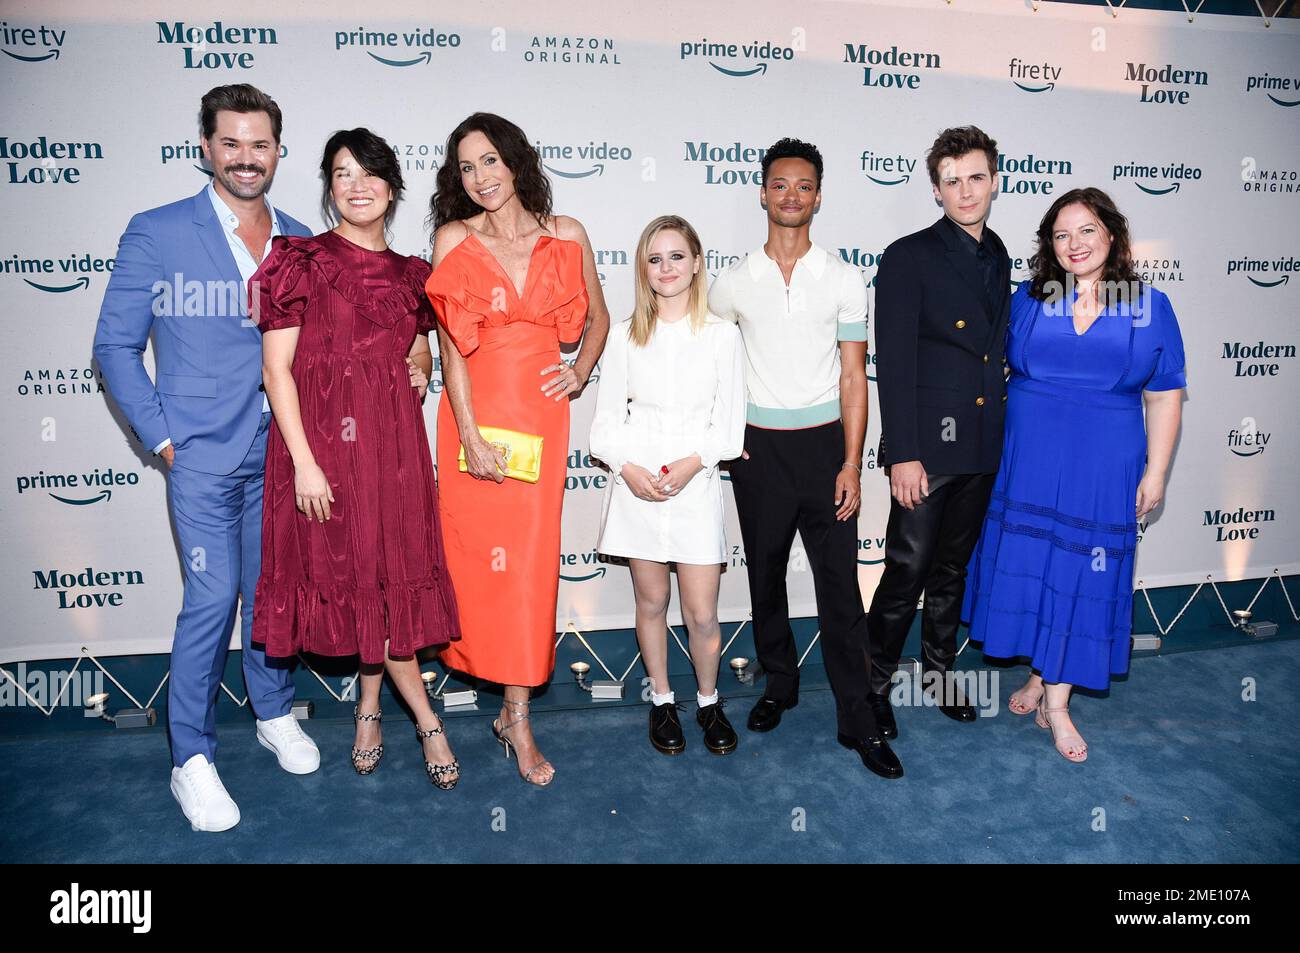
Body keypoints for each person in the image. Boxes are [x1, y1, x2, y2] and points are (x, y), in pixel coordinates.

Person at [92, 84, 318, 833]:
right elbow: (114, 346)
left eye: (260, 145)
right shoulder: (157, 232)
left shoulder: (297, 237)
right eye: (231, 143)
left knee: (271, 591)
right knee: (213, 598)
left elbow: (321, 348)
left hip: (279, 450)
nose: (246, 158)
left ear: (278, 151)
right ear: (205, 148)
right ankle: (190, 755)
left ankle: (273, 711)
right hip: (201, 454)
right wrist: (162, 437)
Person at [251, 128, 462, 789]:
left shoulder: (414, 276)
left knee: (386, 580)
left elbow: (421, 342)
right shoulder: (300, 260)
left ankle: (369, 705)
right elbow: (277, 370)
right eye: (341, 173)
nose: (356, 184)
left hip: (393, 450)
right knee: (359, 576)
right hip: (324, 453)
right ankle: (428, 720)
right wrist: (305, 463)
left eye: (369, 172)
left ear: (393, 187)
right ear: (328, 186)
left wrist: (421, 356)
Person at [962, 188, 1185, 763]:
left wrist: (1156, 473)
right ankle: (1041, 674)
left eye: (1086, 230)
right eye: (1061, 235)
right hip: (1029, 458)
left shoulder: (1146, 304)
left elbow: (1164, 396)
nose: (1073, 244)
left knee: (1084, 571)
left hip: (1103, 463)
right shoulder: (1031, 300)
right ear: (1049, 246)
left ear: (1112, 235)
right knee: (1039, 568)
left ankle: (1056, 701)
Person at [425, 113, 610, 786]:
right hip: (474, 419)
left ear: (516, 161)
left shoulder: (566, 234)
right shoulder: (454, 238)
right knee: (480, 571)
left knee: (529, 569)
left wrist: (580, 369)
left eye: (490, 162)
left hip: (539, 418)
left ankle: (516, 715)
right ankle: (508, 710)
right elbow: (450, 344)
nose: (481, 178)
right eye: (467, 168)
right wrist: (469, 432)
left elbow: (600, 314)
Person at [707, 138, 901, 780]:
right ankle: (779, 686)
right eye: (780, 185)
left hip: (825, 449)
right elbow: (710, 367)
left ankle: (858, 716)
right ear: (762, 192)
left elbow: (854, 379)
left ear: (819, 196)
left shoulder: (845, 279)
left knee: (840, 589)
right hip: (757, 450)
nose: (791, 195)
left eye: (804, 186)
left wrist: (851, 463)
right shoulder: (731, 282)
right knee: (763, 576)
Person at [867, 126, 1011, 738]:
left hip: (981, 442)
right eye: (951, 181)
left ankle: (938, 670)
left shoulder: (999, 252)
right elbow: (893, 362)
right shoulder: (909, 255)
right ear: (935, 190)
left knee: (953, 568)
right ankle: (870, 688)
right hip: (929, 448)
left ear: (995, 181)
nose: (965, 190)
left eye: (975, 177)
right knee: (907, 568)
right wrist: (904, 453)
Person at [589, 216, 746, 756]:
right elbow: (604, 426)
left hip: (695, 482)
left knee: (703, 612)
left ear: (697, 262)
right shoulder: (625, 336)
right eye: (654, 259)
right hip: (637, 485)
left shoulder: (723, 336)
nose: (667, 268)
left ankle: (707, 701)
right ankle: (661, 700)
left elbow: (731, 429)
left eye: (677, 256)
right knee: (651, 601)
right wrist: (628, 469)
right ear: (643, 270)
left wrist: (693, 462)